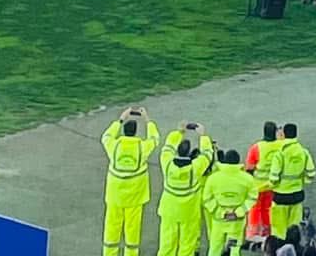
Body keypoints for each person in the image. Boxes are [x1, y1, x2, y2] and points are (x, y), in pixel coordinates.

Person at [102, 106, 159, 256]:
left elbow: (106, 136)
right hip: (135, 196)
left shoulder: (114, 146)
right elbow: (154, 139)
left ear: (124, 131)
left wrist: (120, 119)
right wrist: (147, 120)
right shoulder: (142, 147)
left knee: (111, 229)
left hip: (115, 195)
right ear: (135, 132)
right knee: (132, 230)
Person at [158, 126, 212, 256]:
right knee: (187, 245)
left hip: (169, 210)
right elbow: (207, 154)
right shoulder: (195, 168)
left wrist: (179, 132)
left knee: (167, 243)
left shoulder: (167, 164)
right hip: (189, 212)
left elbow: (167, 147)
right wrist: (202, 136)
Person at [201, 148, 259, 256]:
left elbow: (207, 198)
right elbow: (253, 197)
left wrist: (220, 212)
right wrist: (240, 211)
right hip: (236, 222)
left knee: (215, 248)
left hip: (219, 220)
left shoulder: (213, 178)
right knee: (234, 249)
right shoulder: (247, 179)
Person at [271, 120, 315, 239]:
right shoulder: (303, 152)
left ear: (284, 134)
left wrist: (274, 184)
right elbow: (311, 173)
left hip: (281, 196)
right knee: (294, 228)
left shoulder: (280, 153)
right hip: (297, 194)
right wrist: (303, 181)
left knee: (279, 229)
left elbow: (273, 177)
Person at [246, 121, 278, 241]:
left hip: (258, 186)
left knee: (255, 209)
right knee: (268, 209)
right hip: (273, 185)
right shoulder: (280, 146)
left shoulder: (256, 147)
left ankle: (253, 233)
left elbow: (249, 167)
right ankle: (267, 231)